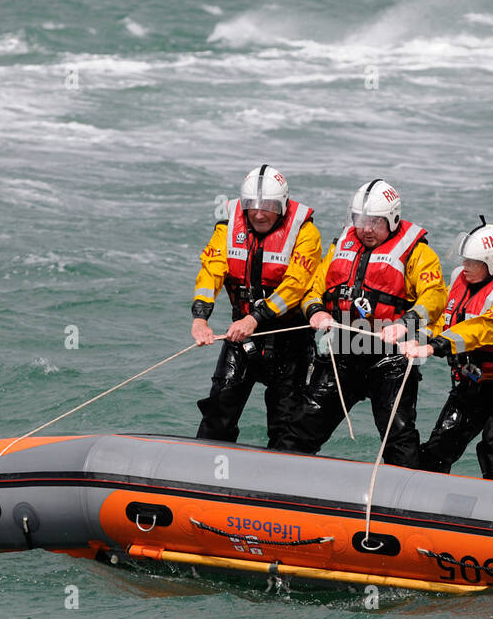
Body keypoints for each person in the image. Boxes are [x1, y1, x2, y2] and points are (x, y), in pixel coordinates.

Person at [273, 179, 446, 467]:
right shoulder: (342, 243)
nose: (366, 228)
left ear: (392, 219)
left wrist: (407, 322)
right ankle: (275, 481)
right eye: (360, 220)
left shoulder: (417, 253)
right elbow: (314, 288)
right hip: (342, 352)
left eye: (375, 222)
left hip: (389, 358)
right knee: (302, 426)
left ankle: (406, 499)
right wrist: (316, 311)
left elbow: (436, 295)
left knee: (398, 436)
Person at [190, 165, 322, 446]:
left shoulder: (306, 233)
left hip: (289, 340)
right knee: (218, 410)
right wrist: (200, 317)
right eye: (253, 205)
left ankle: (282, 479)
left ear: (284, 205)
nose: (260, 213)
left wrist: (255, 318)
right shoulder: (227, 228)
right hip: (243, 336)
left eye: (269, 206)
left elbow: (295, 285)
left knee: (286, 425)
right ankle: (207, 471)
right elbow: (211, 271)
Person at [401, 218, 493, 481]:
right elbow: (445, 322)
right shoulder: (460, 282)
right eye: (464, 260)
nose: (464, 266)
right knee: (440, 445)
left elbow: (481, 329)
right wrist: (420, 339)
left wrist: (435, 347)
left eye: (472, 262)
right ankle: (421, 500)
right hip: (471, 383)